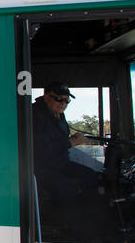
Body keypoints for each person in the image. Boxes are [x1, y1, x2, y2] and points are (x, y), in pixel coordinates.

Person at [32, 83, 100, 226]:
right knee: (67, 188)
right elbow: (39, 149)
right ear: (46, 97)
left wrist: (72, 139)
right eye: (59, 99)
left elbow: (60, 139)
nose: (63, 104)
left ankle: (94, 223)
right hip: (40, 167)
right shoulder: (35, 115)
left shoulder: (59, 116)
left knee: (91, 176)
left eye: (67, 101)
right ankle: (73, 231)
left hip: (60, 163)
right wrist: (70, 143)